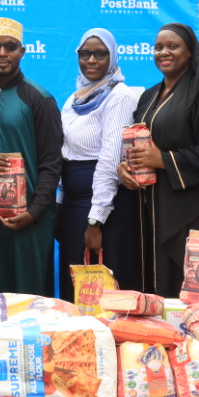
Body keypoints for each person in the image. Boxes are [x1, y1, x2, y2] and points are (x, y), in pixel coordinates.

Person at [119, 24, 199, 296]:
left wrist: (164, 159)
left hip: (186, 210)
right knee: (149, 282)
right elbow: (140, 145)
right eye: (159, 47)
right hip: (149, 208)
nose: (164, 52)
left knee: (180, 286)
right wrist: (125, 168)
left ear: (191, 51)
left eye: (173, 46)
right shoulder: (148, 96)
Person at [0, 18, 63, 303]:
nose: (2, 53)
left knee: (27, 296)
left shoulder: (39, 99)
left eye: (10, 47)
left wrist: (34, 211)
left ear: (22, 51)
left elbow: (52, 164)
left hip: (28, 217)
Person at [62, 29, 141, 300]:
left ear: (113, 56)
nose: (91, 60)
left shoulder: (119, 96)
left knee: (106, 291)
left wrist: (95, 221)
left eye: (100, 54)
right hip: (74, 207)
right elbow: (64, 153)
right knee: (77, 289)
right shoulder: (75, 99)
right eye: (85, 54)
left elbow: (110, 159)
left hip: (106, 209)